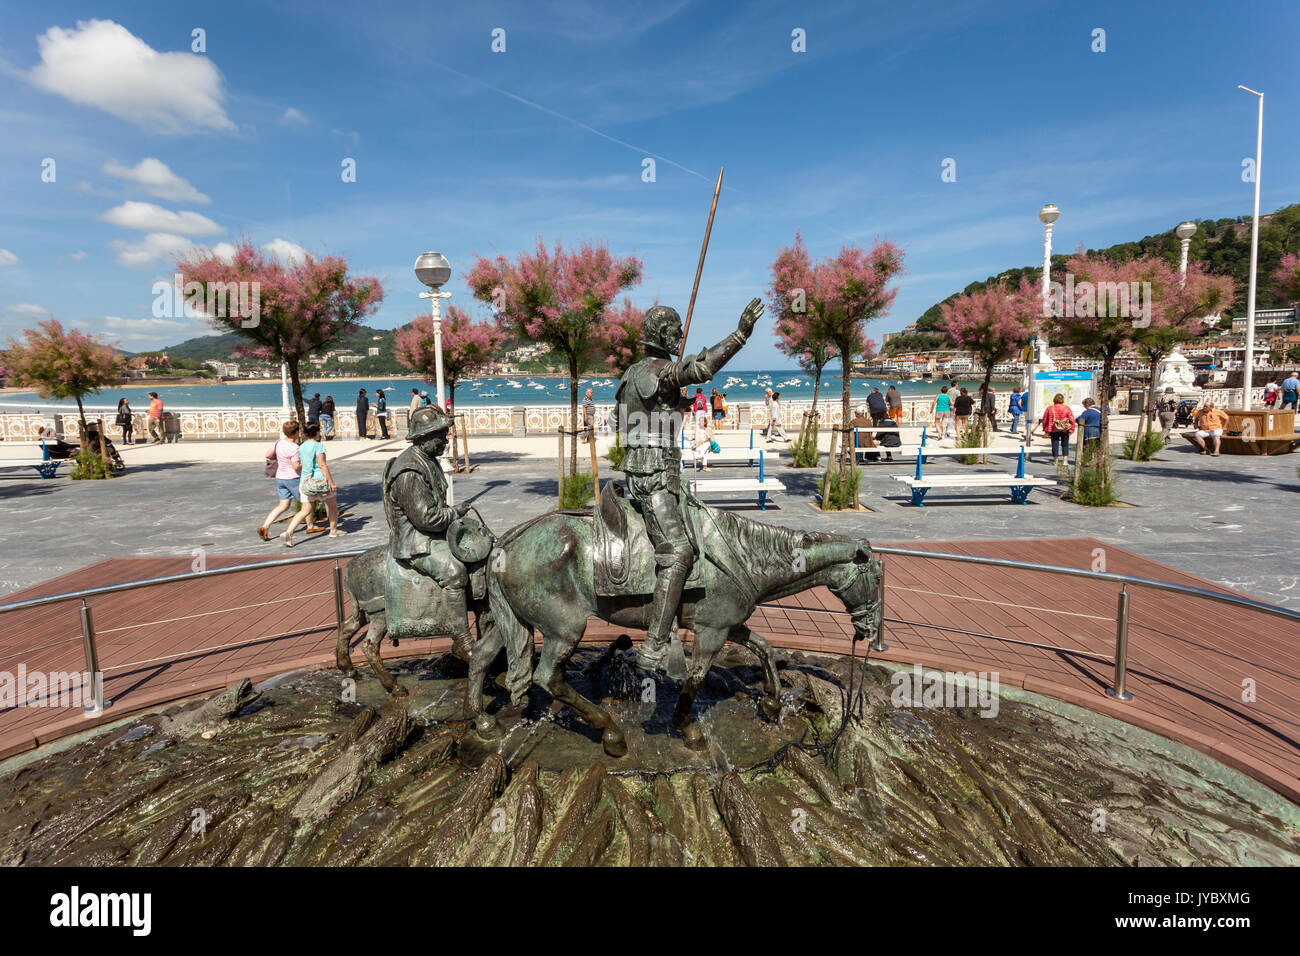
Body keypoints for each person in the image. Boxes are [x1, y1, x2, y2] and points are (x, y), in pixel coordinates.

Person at [616, 298, 763, 672]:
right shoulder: (659, 371)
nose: (680, 336)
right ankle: (654, 643)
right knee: (678, 551)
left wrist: (672, 407)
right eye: (676, 331)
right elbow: (702, 368)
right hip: (654, 473)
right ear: (663, 334)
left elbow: (637, 420)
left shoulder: (633, 373)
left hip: (648, 467)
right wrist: (740, 335)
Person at [383, 404, 476, 661]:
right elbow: (427, 518)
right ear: (424, 438)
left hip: (432, 532)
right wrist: (456, 513)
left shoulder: (428, 460)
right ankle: (462, 639)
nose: (446, 440)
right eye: (441, 435)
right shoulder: (409, 471)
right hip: (417, 541)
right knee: (454, 573)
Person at [259, 421, 324, 541]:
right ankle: (309, 526)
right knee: (307, 502)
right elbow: (296, 466)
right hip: (293, 478)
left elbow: (268, 454)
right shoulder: (295, 448)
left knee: (283, 505)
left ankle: (265, 526)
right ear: (295, 433)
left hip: (280, 478)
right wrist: (305, 464)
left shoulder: (278, 442)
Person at [283, 422, 341, 543]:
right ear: (316, 433)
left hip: (305, 481)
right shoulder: (318, 445)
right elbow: (322, 465)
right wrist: (331, 482)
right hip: (319, 481)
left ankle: (289, 532)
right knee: (332, 506)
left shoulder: (301, 446)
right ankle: (333, 531)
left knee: (304, 510)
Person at [1041, 392, 1075, 463]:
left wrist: (1045, 429)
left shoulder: (1050, 408)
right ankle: (1065, 460)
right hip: (1065, 429)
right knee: (1065, 444)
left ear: (1054, 399)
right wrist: (1072, 429)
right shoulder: (1066, 408)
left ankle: (1056, 460)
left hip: (1053, 429)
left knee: (1055, 444)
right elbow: (1071, 419)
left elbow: (1045, 419)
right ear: (1062, 399)